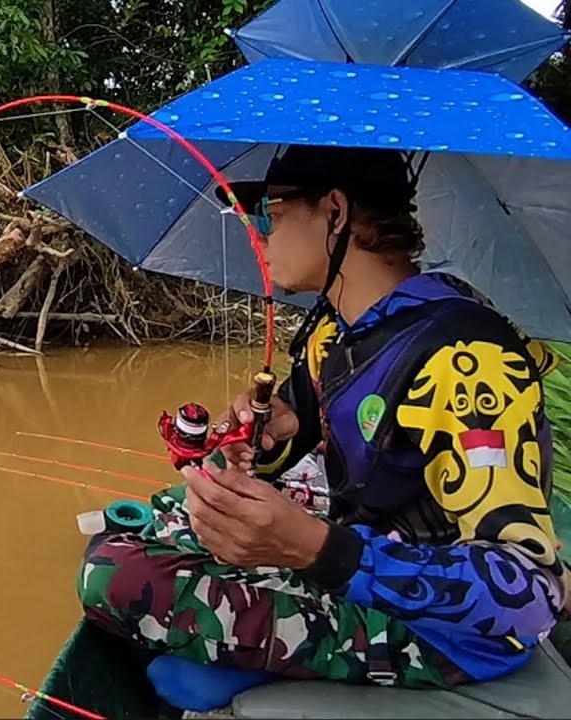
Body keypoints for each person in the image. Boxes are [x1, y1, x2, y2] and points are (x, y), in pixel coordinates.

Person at [76, 144, 570, 711]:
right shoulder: (334, 331)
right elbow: (298, 422)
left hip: (444, 631)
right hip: (355, 548)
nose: (260, 235)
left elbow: (530, 594)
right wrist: (264, 437)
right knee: (167, 511)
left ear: (334, 212)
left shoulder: (462, 359)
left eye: (273, 213)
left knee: (110, 573)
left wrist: (317, 550)